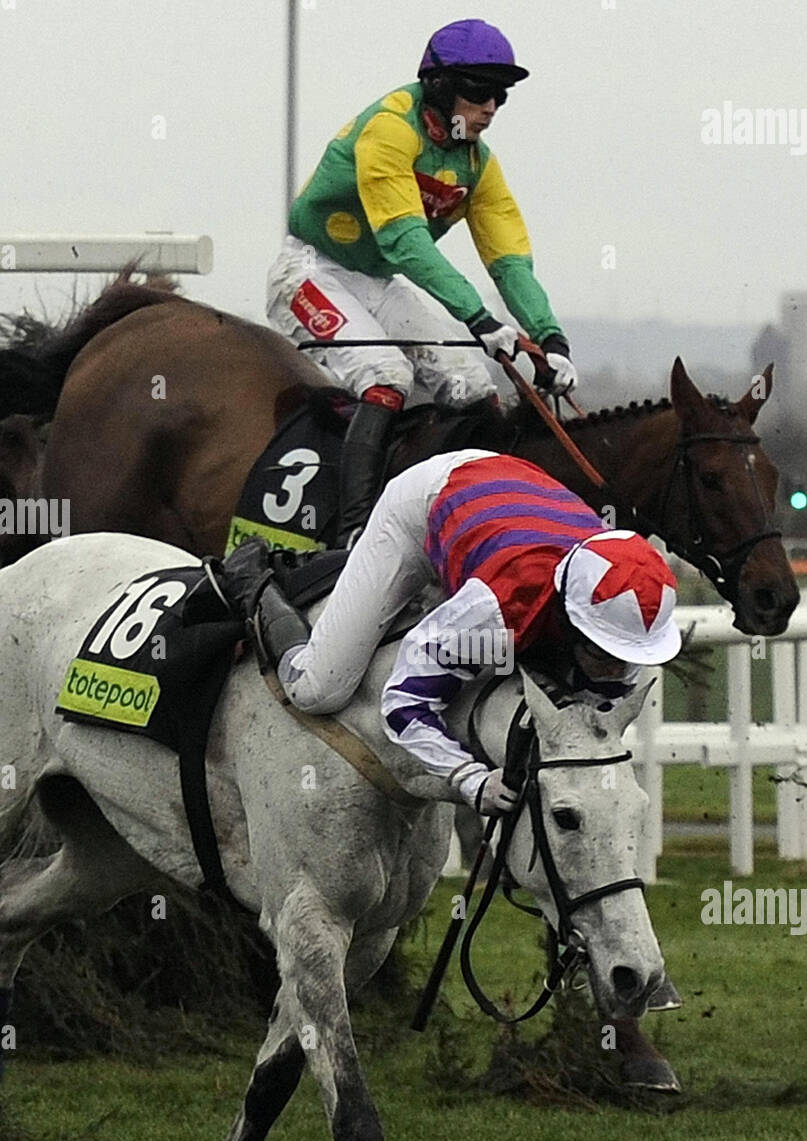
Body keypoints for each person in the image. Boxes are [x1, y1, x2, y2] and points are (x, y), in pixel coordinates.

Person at [221, 448, 681, 817]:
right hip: (426, 501)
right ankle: (254, 580)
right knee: (316, 689)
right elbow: (404, 703)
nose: (618, 668)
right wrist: (469, 778)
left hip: (506, 494)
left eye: (625, 653)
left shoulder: (626, 618)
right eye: (604, 651)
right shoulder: (496, 612)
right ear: (571, 621)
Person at [265, 18, 578, 548]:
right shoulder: (390, 129)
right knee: (388, 377)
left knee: (474, 388)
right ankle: (355, 532)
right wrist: (477, 318)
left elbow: (510, 262)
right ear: (438, 86)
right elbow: (405, 242)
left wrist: (549, 338)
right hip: (311, 270)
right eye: (479, 91)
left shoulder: (478, 164)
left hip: (375, 281)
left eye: (500, 95)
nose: (491, 107)